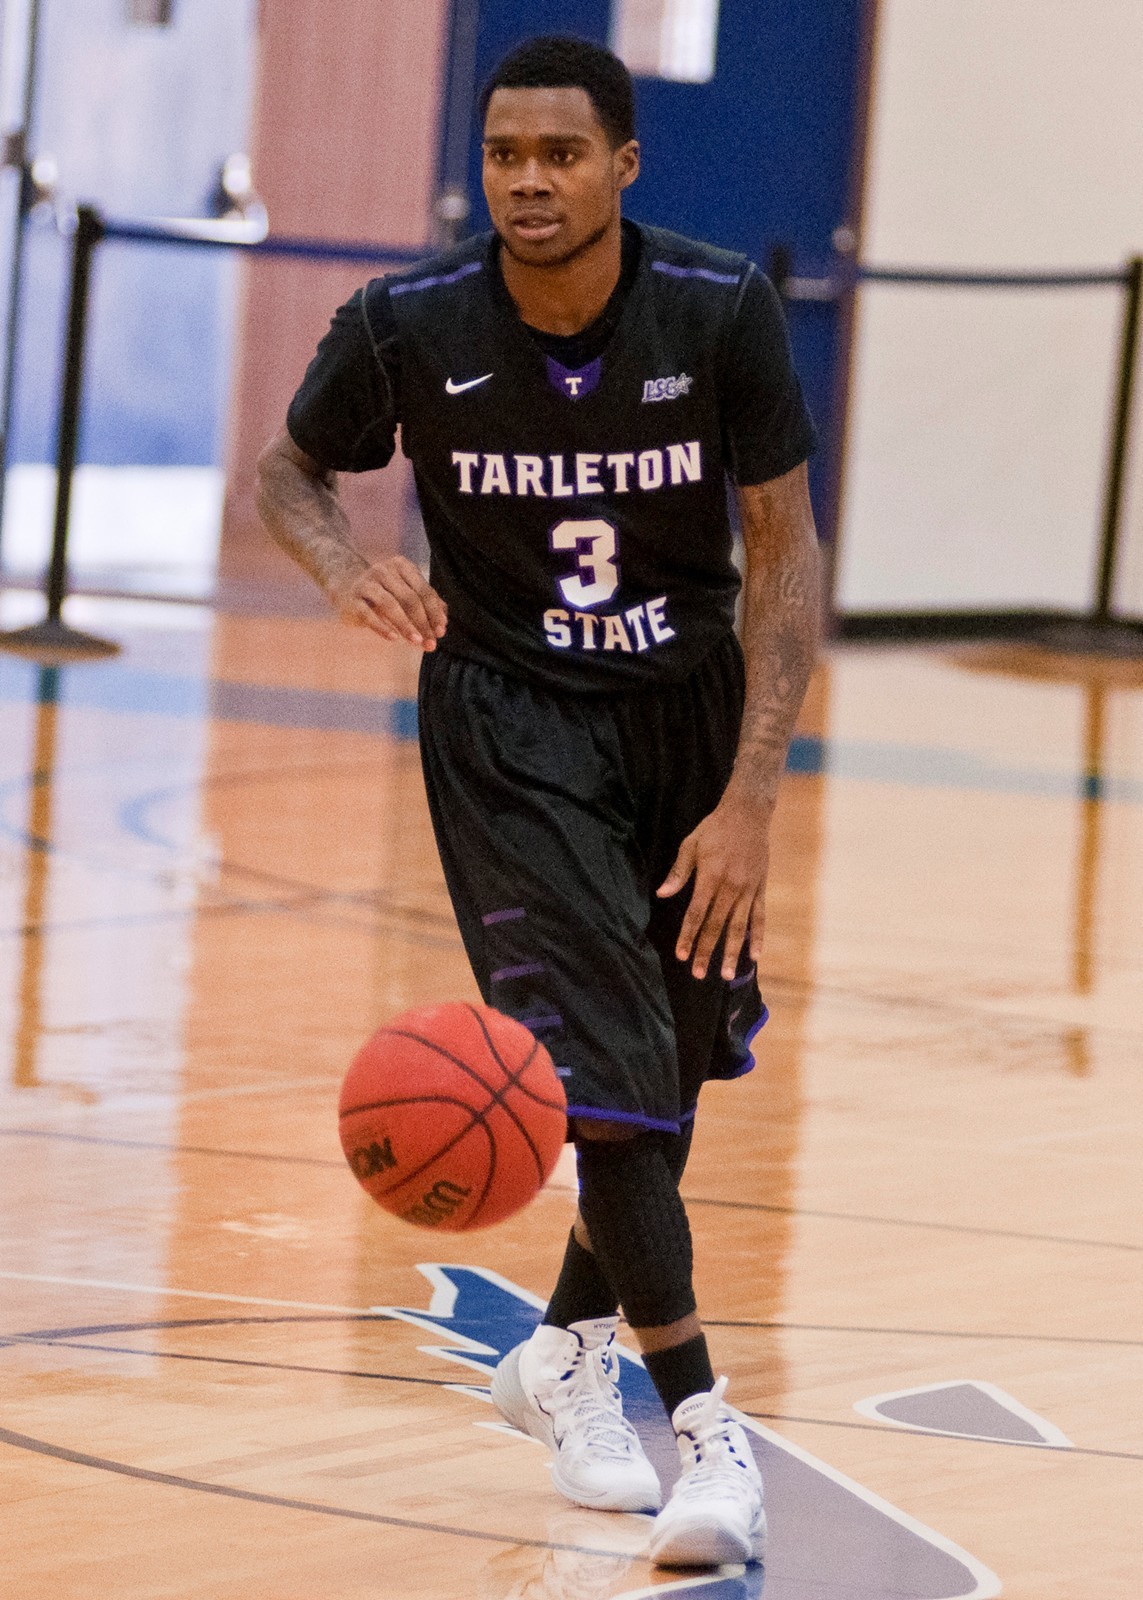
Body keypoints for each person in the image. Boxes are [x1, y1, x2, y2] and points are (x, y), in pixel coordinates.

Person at [257, 34, 819, 1569]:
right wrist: (340, 560)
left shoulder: (717, 310)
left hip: (686, 716)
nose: (528, 181)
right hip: (509, 726)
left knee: (677, 1060)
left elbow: (782, 552)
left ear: (624, 167)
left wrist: (754, 795)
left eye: (561, 156)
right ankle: (708, 1434)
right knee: (612, 1072)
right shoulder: (406, 322)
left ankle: (564, 1353)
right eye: (507, 155)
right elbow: (289, 474)